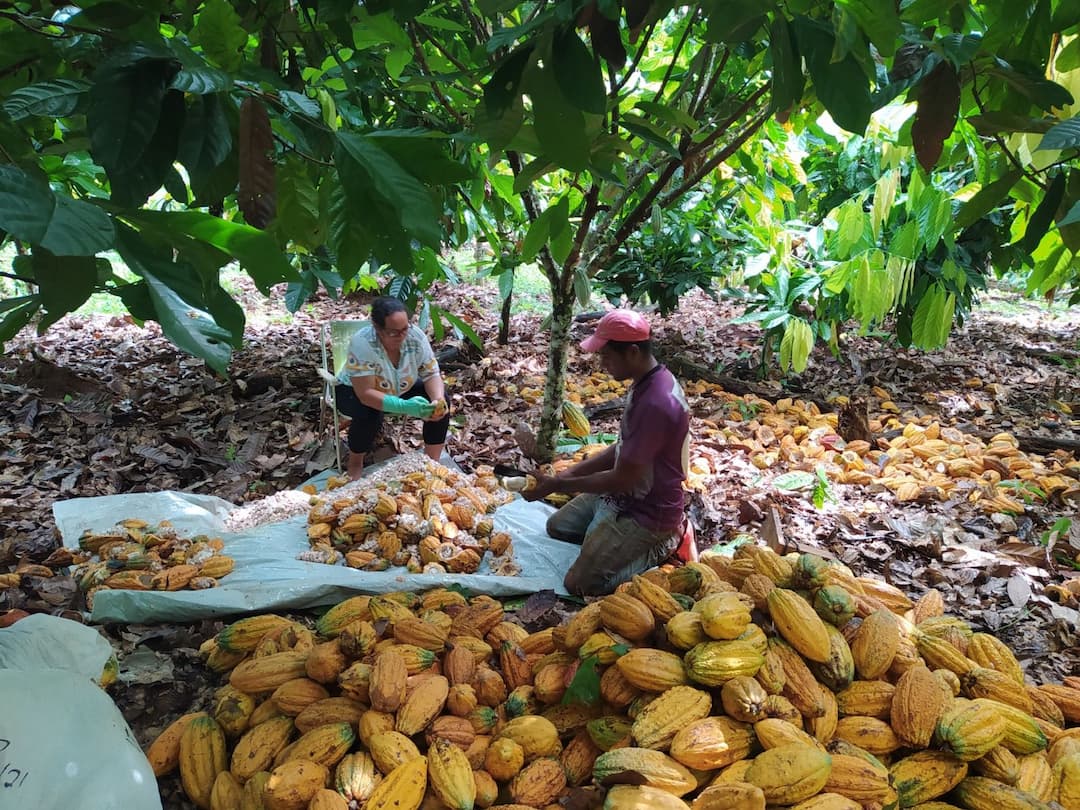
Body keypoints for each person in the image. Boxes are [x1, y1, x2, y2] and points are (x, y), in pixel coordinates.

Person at [523, 309, 690, 596]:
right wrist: (570, 473)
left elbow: (622, 479)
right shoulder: (646, 382)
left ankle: (666, 542)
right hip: (622, 495)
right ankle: (603, 537)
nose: (603, 364)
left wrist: (560, 484)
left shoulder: (656, 403)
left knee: (579, 585)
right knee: (557, 527)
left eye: (607, 356)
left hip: (646, 511)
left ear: (633, 352)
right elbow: (623, 448)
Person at [333, 296, 450, 479]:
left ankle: (432, 462)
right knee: (369, 411)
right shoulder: (363, 343)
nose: (402, 336)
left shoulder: (415, 337)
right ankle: (355, 462)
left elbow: (431, 373)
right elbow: (365, 394)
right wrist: (405, 407)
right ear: (378, 328)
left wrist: (437, 400)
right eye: (394, 333)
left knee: (442, 402)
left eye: (405, 329)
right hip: (353, 392)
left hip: (398, 387)